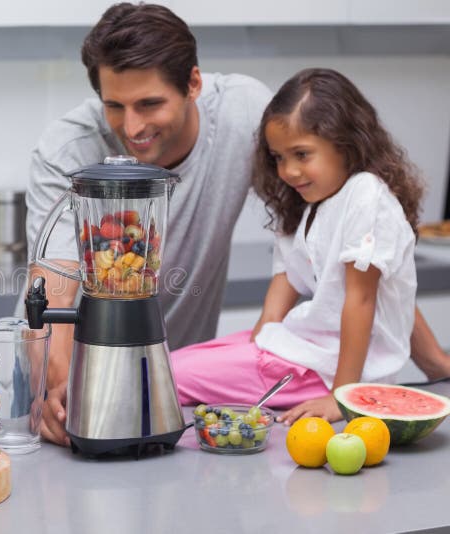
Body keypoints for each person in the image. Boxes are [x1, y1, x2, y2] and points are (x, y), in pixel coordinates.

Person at [26, 3, 450, 446]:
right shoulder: (68, 151)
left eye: (149, 103)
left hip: (183, 393)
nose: (132, 127)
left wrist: (434, 362)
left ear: (194, 83)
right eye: (114, 106)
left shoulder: (243, 114)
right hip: (90, 388)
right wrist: (62, 388)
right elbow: (54, 289)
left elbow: (370, 271)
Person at [171, 68, 423, 425]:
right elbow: (286, 279)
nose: (288, 171)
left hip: (323, 371)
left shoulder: (365, 194)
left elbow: (362, 299)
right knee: (161, 366)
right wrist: (255, 347)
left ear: (347, 144)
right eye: (278, 158)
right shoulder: (310, 203)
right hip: (299, 350)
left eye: (302, 155)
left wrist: (342, 396)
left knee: (162, 377)